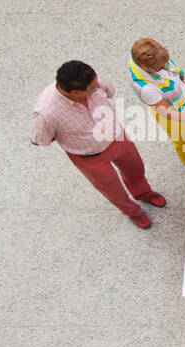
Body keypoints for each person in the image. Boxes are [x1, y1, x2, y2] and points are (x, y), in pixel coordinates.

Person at [30, 61, 165, 229]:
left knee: (135, 169)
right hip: (89, 156)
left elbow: (110, 91)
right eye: (93, 88)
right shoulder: (45, 112)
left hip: (117, 137)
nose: (98, 87)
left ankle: (144, 193)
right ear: (75, 92)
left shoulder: (93, 80)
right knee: (112, 188)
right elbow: (39, 139)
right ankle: (133, 212)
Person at [128, 37, 185, 170]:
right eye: (160, 68)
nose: (166, 68)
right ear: (144, 66)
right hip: (169, 112)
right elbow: (167, 113)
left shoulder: (141, 58)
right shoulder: (146, 89)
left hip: (179, 100)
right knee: (182, 139)